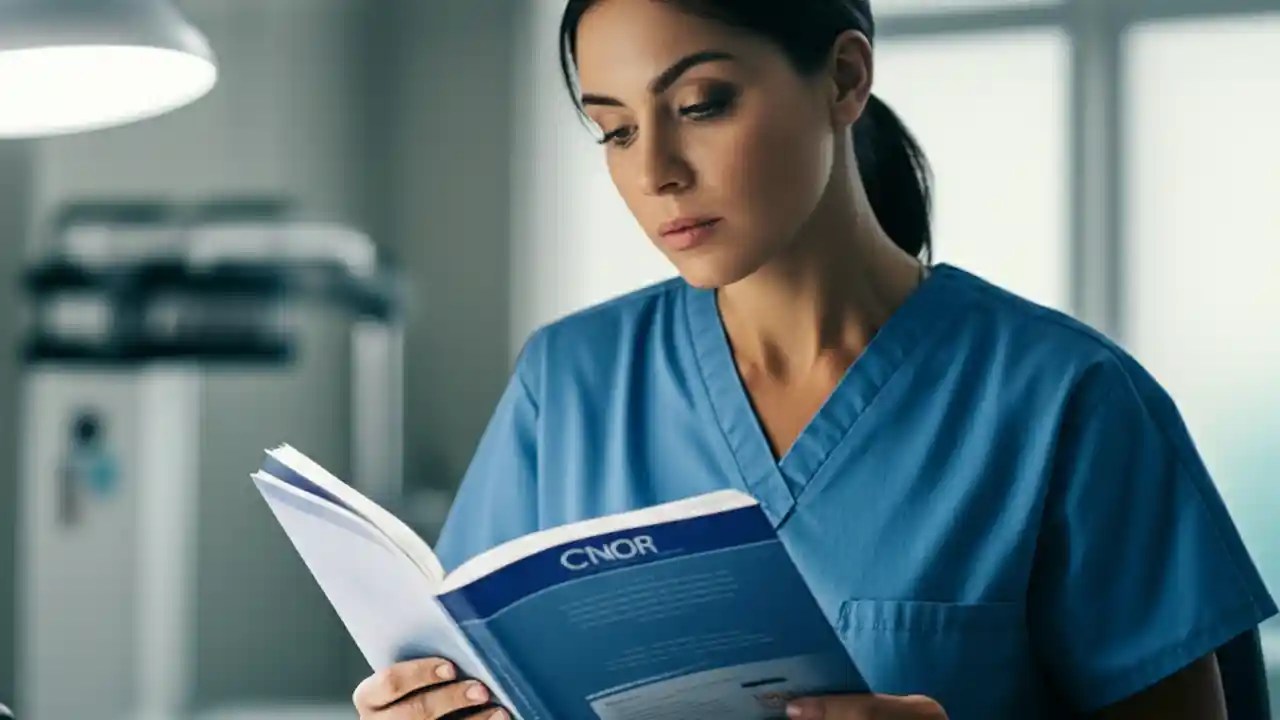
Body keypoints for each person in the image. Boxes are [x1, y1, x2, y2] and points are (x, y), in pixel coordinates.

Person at [351, 1, 1277, 718]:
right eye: (617, 130)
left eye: (701, 104)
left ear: (843, 77)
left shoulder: (1066, 401)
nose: (656, 171)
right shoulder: (570, 384)